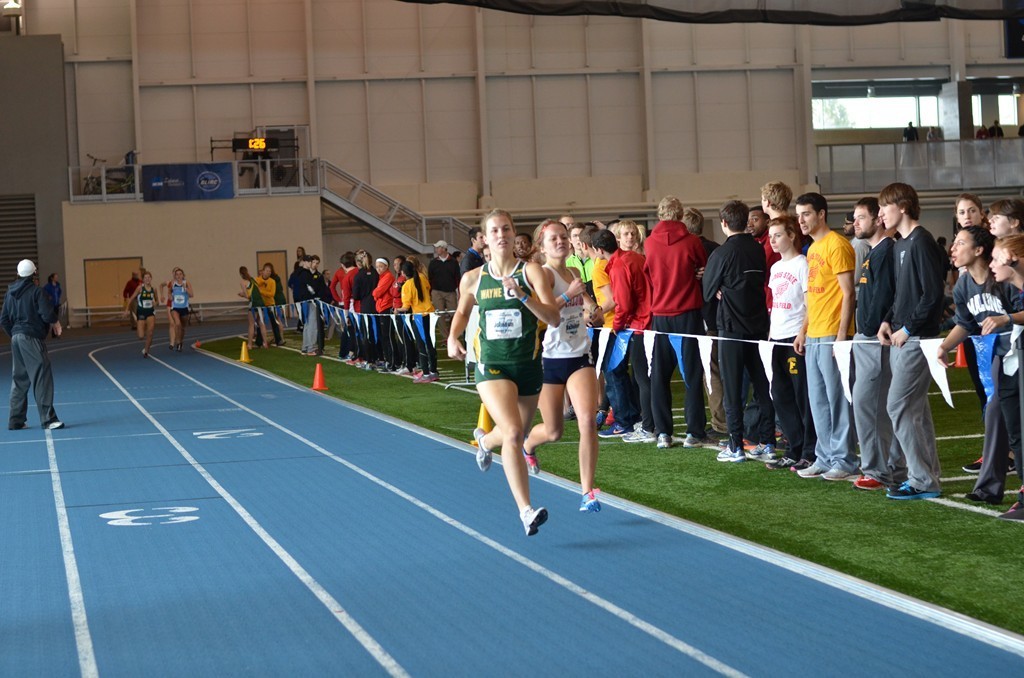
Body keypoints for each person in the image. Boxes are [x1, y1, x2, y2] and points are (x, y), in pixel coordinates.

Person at [447, 209, 560, 536]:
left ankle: (484, 443)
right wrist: (453, 338)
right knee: (512, 432)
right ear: (485, 237)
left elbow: (552, 317)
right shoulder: (473, 278)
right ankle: (526, 511)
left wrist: (523, 295)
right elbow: (462, 312)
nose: (501, 235)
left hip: (527, 365)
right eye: (494, 230)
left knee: (514, 435)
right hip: (492, 365)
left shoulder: (533, 273)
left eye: (506, 229)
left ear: (513, 235)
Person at [522, 219, 602, 512]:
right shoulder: (541, 273)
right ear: (542, 247)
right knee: (554, 431)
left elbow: (590, 304)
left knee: (586, 421)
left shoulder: (572, 271)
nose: (560, 241)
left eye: (564, 237)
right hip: (551, 360)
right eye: (553, 238)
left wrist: (594, 312)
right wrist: (569, 294)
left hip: (580, 356)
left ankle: (587, 492)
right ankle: (529, 445)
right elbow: (544, 314)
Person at [938, 227, 1019, 505]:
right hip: (999, 357)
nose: (953, 248)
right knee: (995, 414)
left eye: (960, 243)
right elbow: (966, 323)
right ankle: (988, 488)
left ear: (979, 250)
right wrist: (945, 346)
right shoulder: (962, 286)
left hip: (1018, 352)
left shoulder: (1005, 278)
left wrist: (1005, 318)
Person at [877, 182, 947, 500]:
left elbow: (933, 295)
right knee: (914, 409)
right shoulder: (901, 244)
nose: (880, 214)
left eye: (884, 207)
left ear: (902, 206)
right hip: (904, 335)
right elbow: (903, 294)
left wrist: (908, 329)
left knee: (899, 406)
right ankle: (928, 474)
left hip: (917, 338)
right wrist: (888, 321)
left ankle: (921, 478)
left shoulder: (921, 242)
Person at [702, 201, 776, 463]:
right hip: (757, 327)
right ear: (746, 220)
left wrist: (722, 287)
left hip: (731, 330)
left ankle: (736, 445)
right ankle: (767, 441)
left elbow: (708, 290)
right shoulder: (758, 249)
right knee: (761, 386)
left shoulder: (721, 254)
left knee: (733, 389)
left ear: (723, 223)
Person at [794, 192, 858, 480]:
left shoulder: (838, 245)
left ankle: (844, 460)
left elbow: (849, 293)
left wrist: (842, 335)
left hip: (833, 332)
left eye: (806, 214)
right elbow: (813, 297)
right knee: (818, 401)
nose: (801, 220)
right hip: (815, 333)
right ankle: (824, 455)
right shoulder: (812, 248)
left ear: (821, 214)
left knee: (837, 400)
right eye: (799, 215)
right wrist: (803, 330)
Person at [848, 197, 905, 491]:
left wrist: (873, 327)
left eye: (861, 217)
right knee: (875, 406)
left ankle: (877, 470)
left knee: (869, 406)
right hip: (868, 336)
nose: (855, 223)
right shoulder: (875, 252)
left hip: (875, 339)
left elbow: (888, 296)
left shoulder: (886, 252)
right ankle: (889, 467)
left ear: (878, 219)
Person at [644, 196, 708, 449]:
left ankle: (663, 433)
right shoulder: (692, 242)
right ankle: (694, 432)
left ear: (660, 216)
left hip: (660, 314)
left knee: (659, 374)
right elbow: (703, 268)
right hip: (688, 314)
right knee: (691, 372)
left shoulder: (649, 243)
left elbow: (649, 274)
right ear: (681, 215)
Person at [591, 228, 655, 442]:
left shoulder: (618, 266)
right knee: (642, 378)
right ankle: (644, 423)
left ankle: (637, 424)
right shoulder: (634, 257)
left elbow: (623, 304)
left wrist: (617, 327)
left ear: (598, 249)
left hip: (636, 326)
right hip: (646, 322)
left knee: (629, 375)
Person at [764, 216, 817, 471]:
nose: (772, 240)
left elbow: (810, 304)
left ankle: (809, 450)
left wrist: (802, 333)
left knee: (801, 397)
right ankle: (793, 447)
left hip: (794, 340)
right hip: (776, 338)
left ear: (792, 235)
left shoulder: (802, 264)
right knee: (781, 396)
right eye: (771, 236)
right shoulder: (775, 268)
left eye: (778, 235)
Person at [983, 235, 1024, 520]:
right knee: (1016, 431)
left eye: (998, 258)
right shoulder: (1014, 291)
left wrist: (1008, 319)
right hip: (1013, 364)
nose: (992, 264)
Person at [681, 206, 728, 439]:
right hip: (721, 318)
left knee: (711, 373)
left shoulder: (687, 251)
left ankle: (721, 423)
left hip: (703, 320)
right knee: (721, 372)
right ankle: (725, 420)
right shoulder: (718, 249)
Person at [2, 259, 64, 430]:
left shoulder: (9, 293)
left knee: (19, 379)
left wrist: (15, 334)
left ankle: (16, 420)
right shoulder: (37, 292)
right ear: (34, 274)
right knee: (41, 377)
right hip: (31, 338)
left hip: (16, 338)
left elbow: (4, 320)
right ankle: (48, 419)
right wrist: (55, 322)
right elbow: (47, 313)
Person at [399, 260, 438, 383]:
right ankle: (433, 371)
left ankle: (426, 373)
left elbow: (405, 307)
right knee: (430, 343)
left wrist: (396, 310)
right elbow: (427, 287)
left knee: (422, 345)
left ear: (403, 273)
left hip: (419, 316)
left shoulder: (406, 286)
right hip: (430, 313)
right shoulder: (421, 277)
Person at [428, 240, 460, 346]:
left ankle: (453, 335)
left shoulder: (454, 262)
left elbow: (457, 278)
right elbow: (430, 278)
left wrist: (459, 292)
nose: (436, 249)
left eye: (438, 247)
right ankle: (446, 338)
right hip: (437, 292)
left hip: (451, 292)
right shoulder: (433, 263)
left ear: (444, 248)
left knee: (454, 314)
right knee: (439, 315)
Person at [351, 251, 380, 368]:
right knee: (377, 333)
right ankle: (379, 358)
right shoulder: (376, 273)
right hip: (377, 306)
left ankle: (369, 360)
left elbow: (356, 295)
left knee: (367, 334)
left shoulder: (358, 276)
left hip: (366, 307)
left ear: (358, 262)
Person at [125, 270, 162, 357]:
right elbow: (131, 298)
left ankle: (146, 351)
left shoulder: (154, 289)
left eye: (149, 277)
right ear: (143, 279)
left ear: (151, 278)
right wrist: (126, 309)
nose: (147, 279)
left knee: (150, 333)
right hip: (141, 312)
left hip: (150, 312)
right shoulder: (140, 288)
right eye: (145, 277)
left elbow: (157, 301)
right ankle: (139, 323)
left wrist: (155, 303)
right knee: (141, 336)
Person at [372, 257, 396, 371]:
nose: (378, 269)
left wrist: (376, 294)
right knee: (385, 336)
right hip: (382, 308)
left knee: (388, 337)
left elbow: (377, 292)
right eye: (377, 267)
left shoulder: (388, 277)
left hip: (386, 308)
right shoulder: (382, 277)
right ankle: (389, 361)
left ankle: (392, 362)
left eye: (381, 266)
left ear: (386, 266)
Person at [254, 264, 283, 346]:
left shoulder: (272, 281)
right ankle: (259, 342)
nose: (268, 272)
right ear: (263, 271)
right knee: (261, 323)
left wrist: (261, 292)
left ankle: (278, 340)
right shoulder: (257, 280)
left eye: (270, 271)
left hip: (270, 304)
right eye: (267, 271)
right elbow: (255, 292)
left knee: (274, 323)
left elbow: (272, 294)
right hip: (261, 305)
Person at [166, 267, 193, 352]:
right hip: (175, 308)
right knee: (177, 324)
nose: (178, 276)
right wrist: (170, 296)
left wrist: (186, 288)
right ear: (175, 275)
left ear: (183, 275)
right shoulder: (172, 283)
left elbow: (191, 294)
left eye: (180, 274)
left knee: (183, 328)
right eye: (177, 274)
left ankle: (180, 342)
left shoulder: (187, 283)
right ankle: (177, 342)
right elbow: (169, 292)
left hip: (184, 308)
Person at [43, 273, 62, 337]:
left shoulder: (57, 285)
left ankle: (55, 333)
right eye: (55, 277)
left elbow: (59, 292)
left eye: (57, 277)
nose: (57, 278)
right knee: (51, 319)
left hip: (56, 304)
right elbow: (44, 292)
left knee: (56, 319)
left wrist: (58, 297)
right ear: (52, 278)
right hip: (51, 305)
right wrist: (48, 296)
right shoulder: (48, 286)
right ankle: (49, 332)